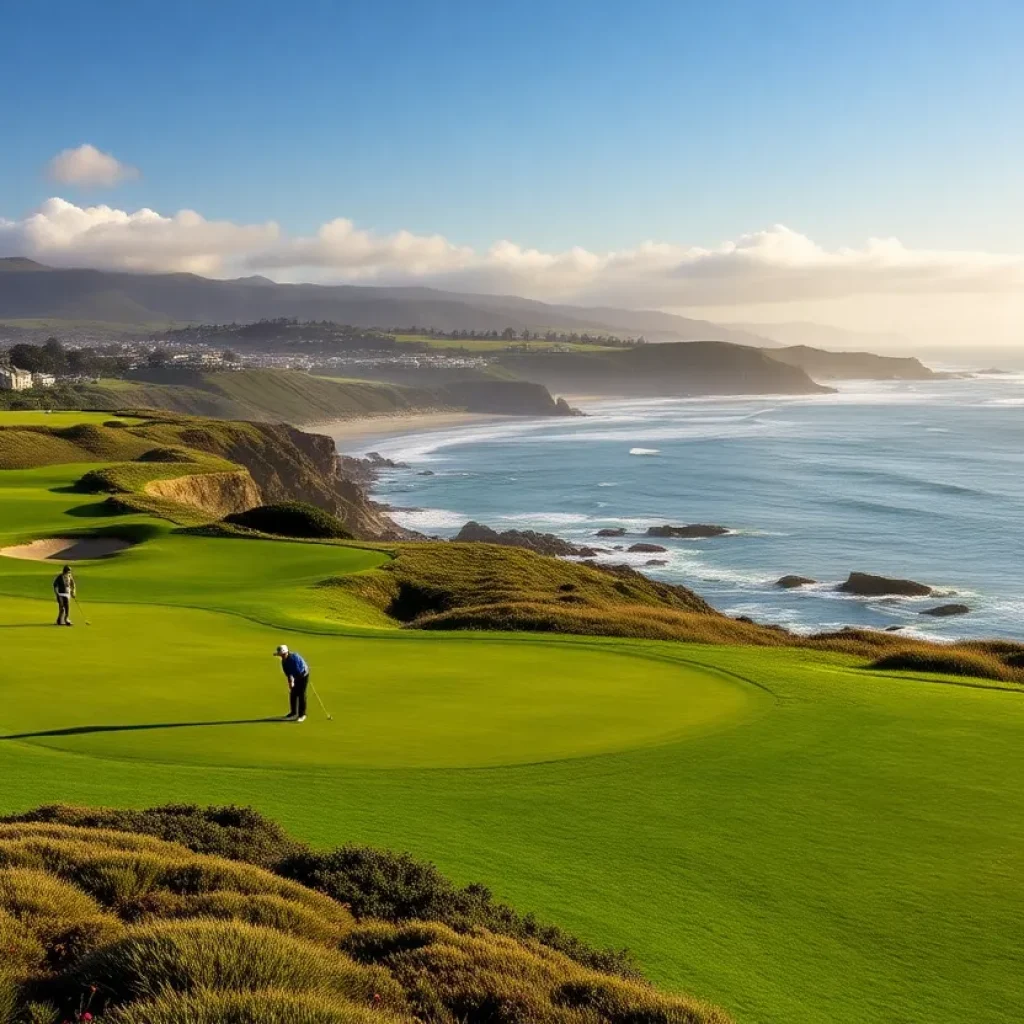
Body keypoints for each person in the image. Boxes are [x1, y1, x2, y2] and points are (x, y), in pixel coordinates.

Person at [274, 644, 309, 722]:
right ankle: (293, 712)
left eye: (282, 654)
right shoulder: (284, 662)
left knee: (301, 694)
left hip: (303, 674)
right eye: (280, 655)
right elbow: (288, 674)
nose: (281, 656)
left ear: (286, 653)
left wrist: (294, 682)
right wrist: (290, 683)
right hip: (296, 675)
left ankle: (302, 715)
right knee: (293, 693)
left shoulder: (294, 659)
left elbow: (298, 672)